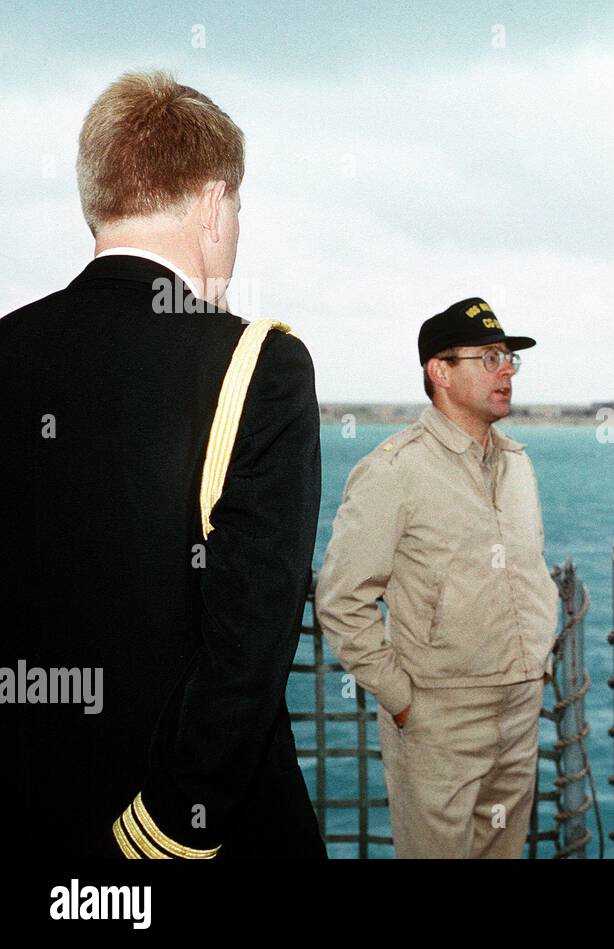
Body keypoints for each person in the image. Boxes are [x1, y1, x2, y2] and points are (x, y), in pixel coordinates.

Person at [0, 71, 324, 858]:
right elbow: (249, 647)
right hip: (193, 830)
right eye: (238, 207)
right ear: (213, 203)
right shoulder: (259, 365)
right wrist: (168, 827)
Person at [315, 298, 555, 858]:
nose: (506, 371)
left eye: (510, 359)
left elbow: (529, 571)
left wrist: (534, 663)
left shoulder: (517, 462)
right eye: (490, 357)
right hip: (438, 715)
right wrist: (402, 699)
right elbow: (342, 599)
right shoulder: (394, 471)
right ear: (440, 371)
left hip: (519, 706)